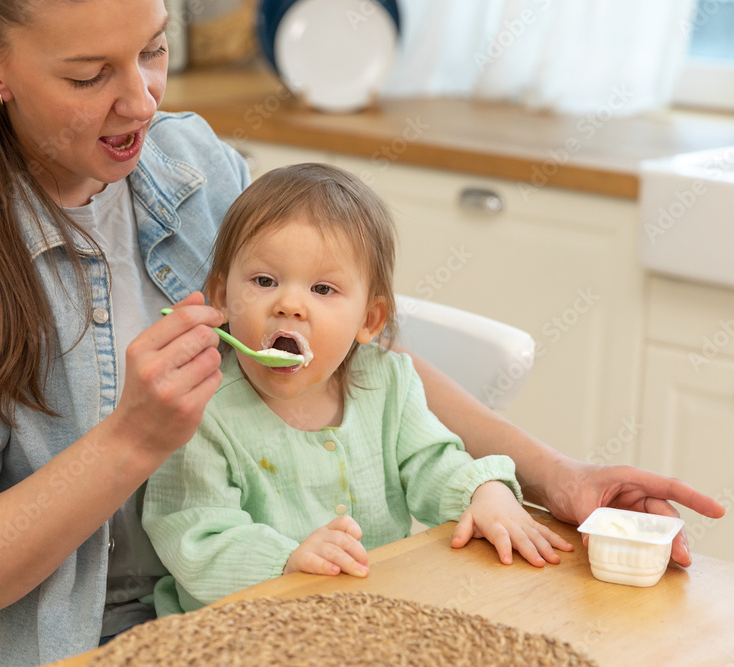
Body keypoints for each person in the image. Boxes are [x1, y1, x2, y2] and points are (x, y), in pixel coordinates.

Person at [0, 0, 723, 664]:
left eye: (153, 50)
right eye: (87, 76)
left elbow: (364, 369)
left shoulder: (191, 168)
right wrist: (132, 439)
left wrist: (555, 475)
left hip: (284, 606)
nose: (139, 101)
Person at [142, 163, 576, 615]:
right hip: (238, 634)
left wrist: (483, 492)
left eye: (323, 288)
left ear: (369, 320)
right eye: (265, 281)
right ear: (221, 297)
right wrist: (285, 561)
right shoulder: (200, 409)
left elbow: (434, 460)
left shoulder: (386, 383)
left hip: (366, 620)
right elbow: (195, 532)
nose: (289, 304)